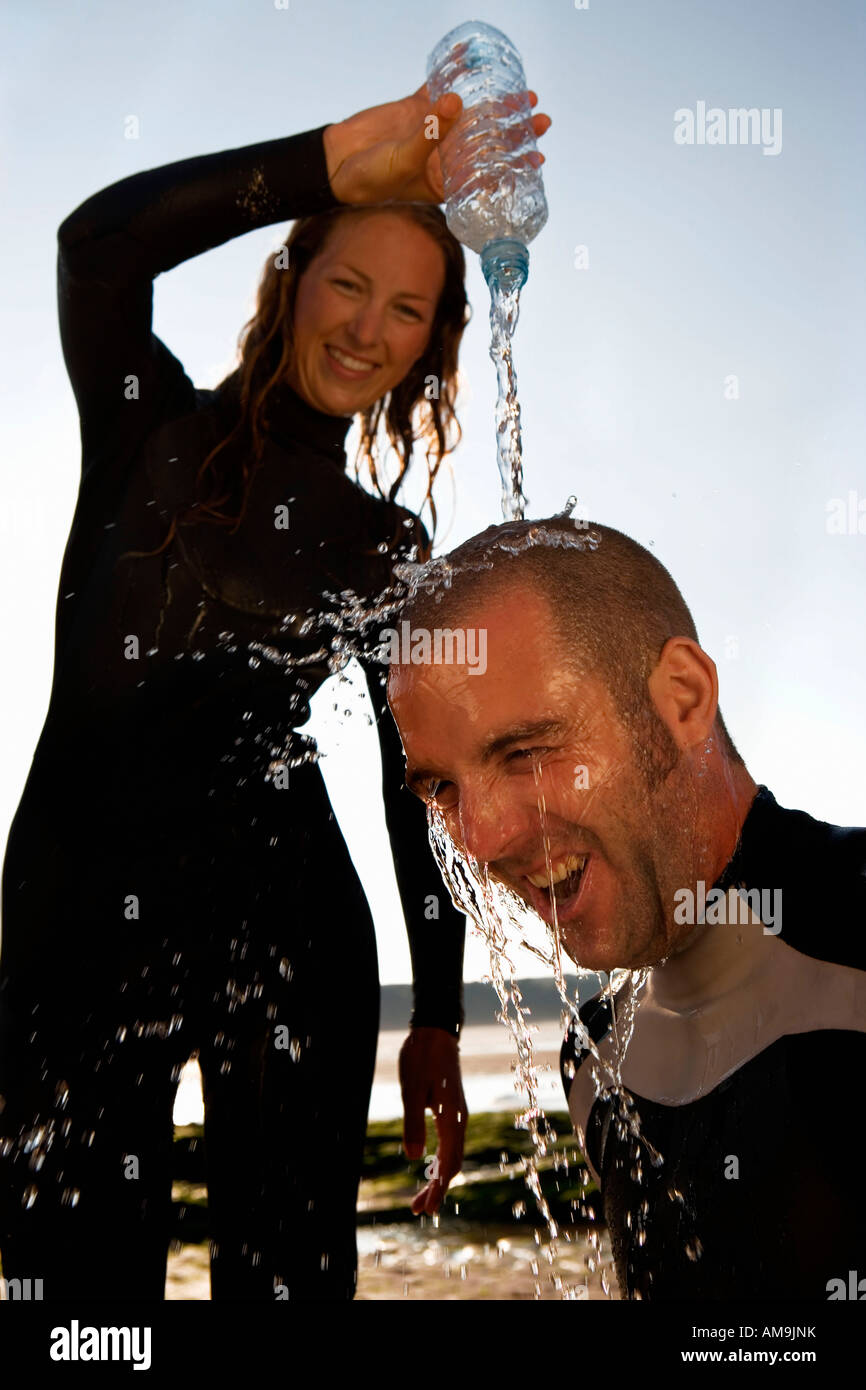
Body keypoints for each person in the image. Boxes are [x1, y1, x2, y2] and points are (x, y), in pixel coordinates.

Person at [0, 87, 551, 1302]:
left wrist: (441, 1022)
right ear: (294, 274)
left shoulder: (385, 548)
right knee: (77, 1300)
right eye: (349, 282)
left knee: (290, 1289)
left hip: (287, 929)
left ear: (429, 348)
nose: (367, 330)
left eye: (407, 310)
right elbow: (97, 246)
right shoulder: (148, 426)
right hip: (82, 913)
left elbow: (419, 788)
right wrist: (331, 162)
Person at [386, 515, 866, 1301]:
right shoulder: (597, 1062)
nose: (480, 837)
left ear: (683, 698)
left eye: (526, 753)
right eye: (442, 788)